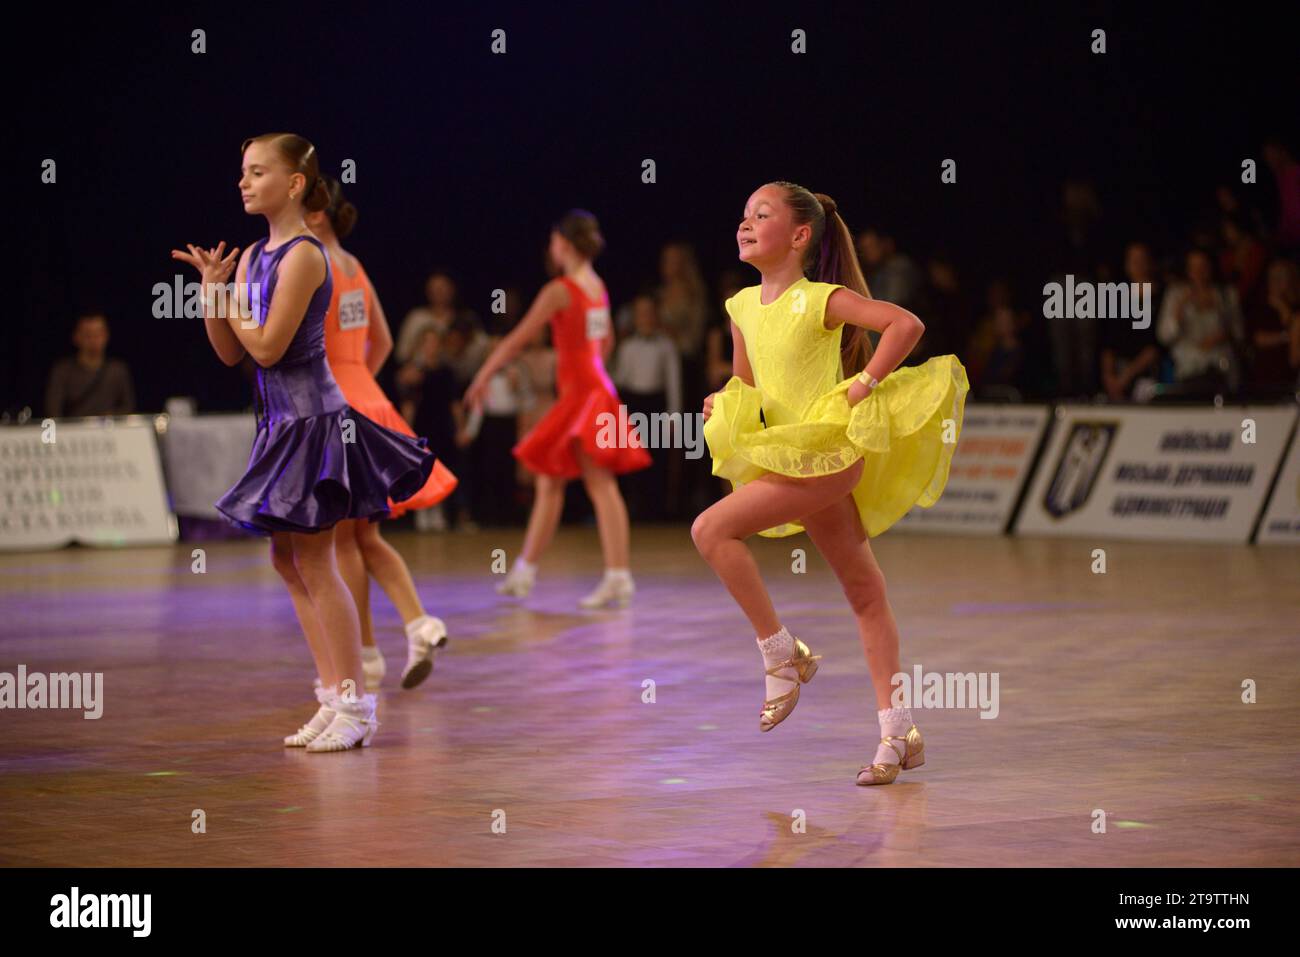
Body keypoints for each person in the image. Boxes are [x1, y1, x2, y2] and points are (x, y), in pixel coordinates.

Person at [694, 181, 968, 786]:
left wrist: (866, 382)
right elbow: (751, 388)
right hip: (789, 454)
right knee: (866, 593)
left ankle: (781, 654)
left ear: (798, 237)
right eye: (743, 215)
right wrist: (724, 399)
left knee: (711, 529)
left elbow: (905, 324)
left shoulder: (819, 298)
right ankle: (899, 734)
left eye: (760, 215)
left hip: (827, 452)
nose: (745, 224)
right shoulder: (740, 307)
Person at [172, 132, 435, 752]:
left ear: (294, 183)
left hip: (315, 422)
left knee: (315, 560)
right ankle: (330, 694)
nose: (243, 181)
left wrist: (228, 295)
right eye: (242, 172)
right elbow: (230, 349)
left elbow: (266, 346)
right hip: (279, 424)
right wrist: (215, 289)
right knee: (286, 560)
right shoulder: (260, 254)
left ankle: (356, 704)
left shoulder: (304, 256)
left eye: (257, 172)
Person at [308, 176, 457, 690]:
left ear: (320, 212)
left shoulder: (313, 262)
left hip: (337, 403)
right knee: (364, 535)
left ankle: (367, 652)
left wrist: (339, 382)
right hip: (367, 398)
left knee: (345, 542)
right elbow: (386, 340)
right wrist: (361, 376)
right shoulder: (353, 264)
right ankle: (416, 624)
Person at [464, 209, 651, 608]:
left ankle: (618, 576)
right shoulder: (596, 286)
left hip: (585, 394)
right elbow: (606, 343)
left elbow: (517, 339)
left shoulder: (561, 289)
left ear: (564, 244)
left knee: (599, 484)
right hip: (592, 387)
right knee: (550, 481)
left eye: (553, 240)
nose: (551, 247)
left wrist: (482, 375)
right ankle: (524, 572)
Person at [44, 313, 136, 417]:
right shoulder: (62, 371)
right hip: (74, 430)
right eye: (88, 335)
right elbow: (53, 410)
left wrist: (111, 417)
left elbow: (128, 407)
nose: (93, 340)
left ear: (106, 336)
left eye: (98, 334)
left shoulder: (117, 370)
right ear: (76, 337)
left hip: (109, 430)